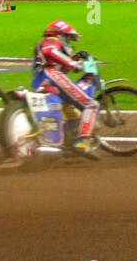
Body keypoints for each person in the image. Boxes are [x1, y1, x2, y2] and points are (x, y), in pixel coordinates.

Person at [28, 20, 100, 159]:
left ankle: (68, 142)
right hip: (51, 75)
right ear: (61, 35)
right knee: (91, 105)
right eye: (68, 38)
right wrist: (73, 63)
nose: (69, 42)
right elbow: (50, 51)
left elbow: (61, 63)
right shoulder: (51, 40)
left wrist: (76, 57)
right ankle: (82, 142)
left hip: (45, 79)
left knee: (69, 107)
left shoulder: (50, 43)